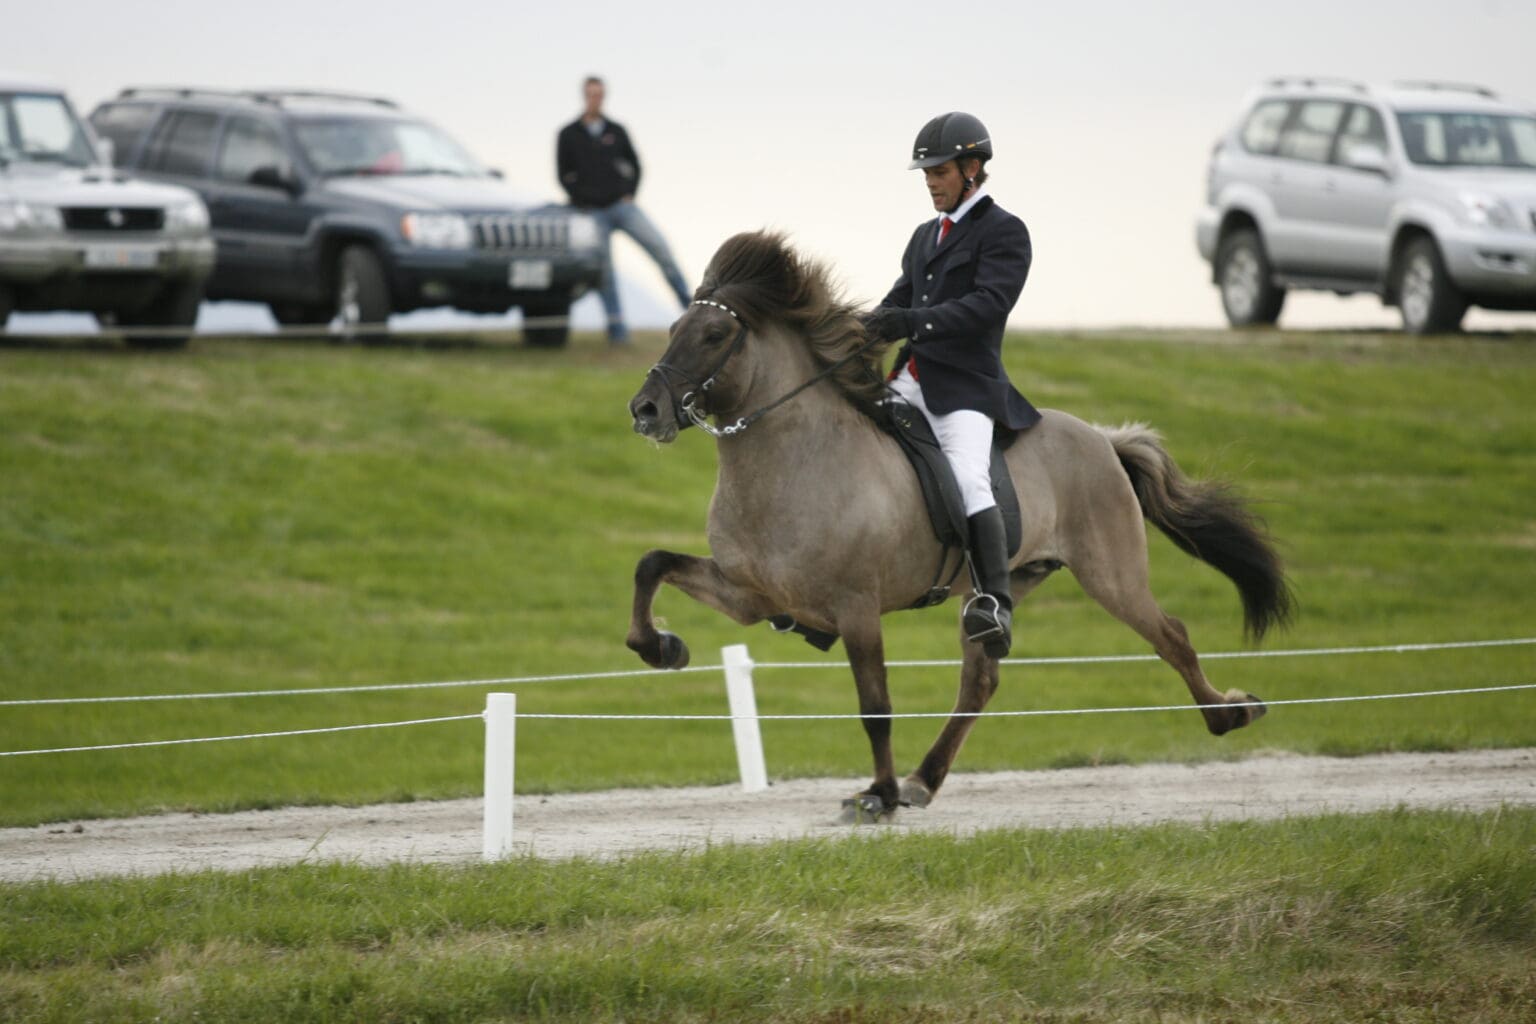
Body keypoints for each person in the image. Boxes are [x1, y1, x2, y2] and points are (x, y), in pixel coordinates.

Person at [864, 111, 1041, 659]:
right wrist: (851, 332)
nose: (931, 182)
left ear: (971, 168)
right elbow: (897, 300)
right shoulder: (923, 237)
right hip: (910, 379)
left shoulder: (1004, 232)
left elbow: (989, 304)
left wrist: (913, 324)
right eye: (925, 174)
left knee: (967, 478)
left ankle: (994, 601)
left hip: (965, 388)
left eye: (938, 171)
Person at [556, 76, 692, 345]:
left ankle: (690, 308)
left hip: (622, 205)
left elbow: (635, 163)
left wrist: (630, 192)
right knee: (605, 271)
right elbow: (563, 174)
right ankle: (617, 328)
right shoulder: (569, 134)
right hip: (592, 212)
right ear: (584, 96)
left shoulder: (616, 131)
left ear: (604, 97)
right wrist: (580, 199)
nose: (596, 99)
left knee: (660, 248)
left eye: (600, 95)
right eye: (591, 94)